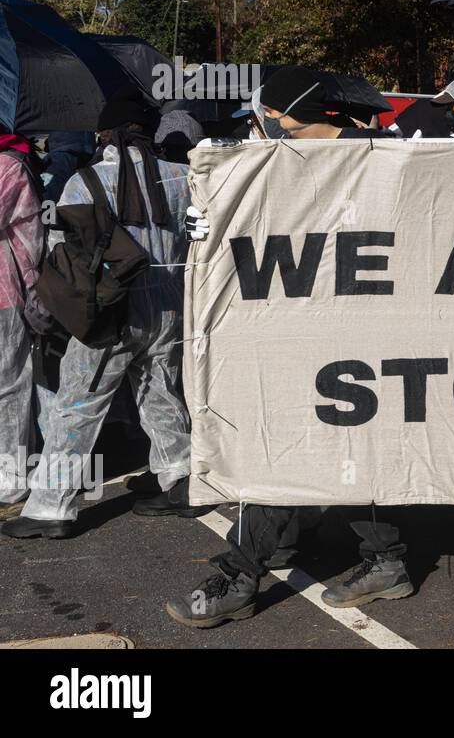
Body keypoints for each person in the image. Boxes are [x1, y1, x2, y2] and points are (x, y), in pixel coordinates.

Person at [166, 68, 412, 628]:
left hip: (364, 330)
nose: (266, 125)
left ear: (289, 111)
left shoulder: (381, 157)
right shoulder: (286, 161)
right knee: (324, 442)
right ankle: (378, 558)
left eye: (271, 114)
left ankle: (243, 570)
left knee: (307, 441)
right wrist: (214, 218)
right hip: (306, 325)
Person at [3, 95, 199, 539]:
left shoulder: (84, 181)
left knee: (79, 402)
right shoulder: (183, 177)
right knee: (160, 391)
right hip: (169, 308)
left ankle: (51, 507)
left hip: (112, 314)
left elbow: (67, 252)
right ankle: (182, 478)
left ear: (103, 135)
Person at [0, 125, 43, 517]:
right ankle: (10, 480)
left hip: (4, 296)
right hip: (7, 294)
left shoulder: (8, 168)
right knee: (10, 387)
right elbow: (30, 240)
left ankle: (11, 480)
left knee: (9, 386)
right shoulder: (12, 166)